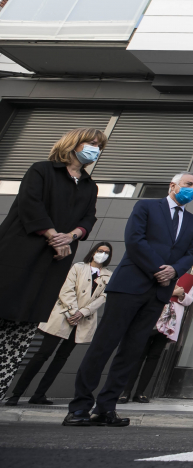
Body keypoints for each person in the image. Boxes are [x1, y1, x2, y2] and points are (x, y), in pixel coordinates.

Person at [64, 172, 193, 428]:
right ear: (173, 186)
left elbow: (190, 254)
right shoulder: (147, 206)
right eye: (187, 185)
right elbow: (135, 241)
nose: (191, 189)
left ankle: (106, 408)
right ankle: (79, 408)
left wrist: (174, 271)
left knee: (131, 352)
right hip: (129, 286)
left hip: (157, 293)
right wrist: (159, 269)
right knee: (103, 346)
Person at [0, 128, 103, 398]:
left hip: (54, 261)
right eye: (91, 143)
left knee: (25, 323)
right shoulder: (42, 170)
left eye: (98, 145)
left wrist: (70, 237)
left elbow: (88, 218)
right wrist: (53, 236)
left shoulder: (90, 186)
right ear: (73, 144)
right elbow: (29, 204)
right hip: (19, 254)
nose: (95, 148)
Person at [5, 242, 112, 405]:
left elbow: (103, 298)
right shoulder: (78, 267)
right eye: (100, 250)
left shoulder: (108, 276)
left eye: (106, 252)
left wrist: (82, 313)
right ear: (93, 252)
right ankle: (16, 394)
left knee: (61, 357)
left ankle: (39, 394)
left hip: (82, 321)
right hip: (64, 316)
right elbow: (66, 290)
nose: (102, 254)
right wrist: (73, 311)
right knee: (42, 354)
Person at [120, 272, 193, 404]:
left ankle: (140, 393)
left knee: (154, 356)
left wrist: (181, 294)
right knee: (138, 355)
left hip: (168, 323)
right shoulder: (158, 272)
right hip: (151, 318)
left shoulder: (186, 278)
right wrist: (172, 292)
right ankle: (126, 392)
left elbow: (189, 300)